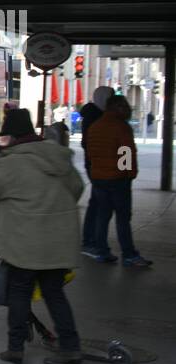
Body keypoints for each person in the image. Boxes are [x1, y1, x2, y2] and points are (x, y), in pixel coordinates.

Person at [0, 108, 84, 364]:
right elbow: (78, 189)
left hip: (23, 244)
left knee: (19, 294)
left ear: (10, 137)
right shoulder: (58, 158)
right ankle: (70, 347)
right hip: (58, 242)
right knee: (54, 294)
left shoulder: (11, 162)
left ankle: (15, 349)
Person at [86, 95, 153, 268]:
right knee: (123, 218)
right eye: (124, 106)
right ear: (118, 108)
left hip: (99, 178)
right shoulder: (120, 127)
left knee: (102, 216)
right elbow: (126, 153)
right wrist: (130, 173)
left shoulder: (95, 126)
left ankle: (102, 251)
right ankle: (129, 254)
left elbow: (90, 153)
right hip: (117, 179)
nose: (127, 109)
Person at [78, 85, 112, 258]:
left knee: (100, 203)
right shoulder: (100, 120)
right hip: (100, 168)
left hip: (101, 167)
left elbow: (124, 148)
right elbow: (122, 148)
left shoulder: (105, 119)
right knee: (101, 204)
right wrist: (126, 170)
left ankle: (96, 243)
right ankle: (93, 243)